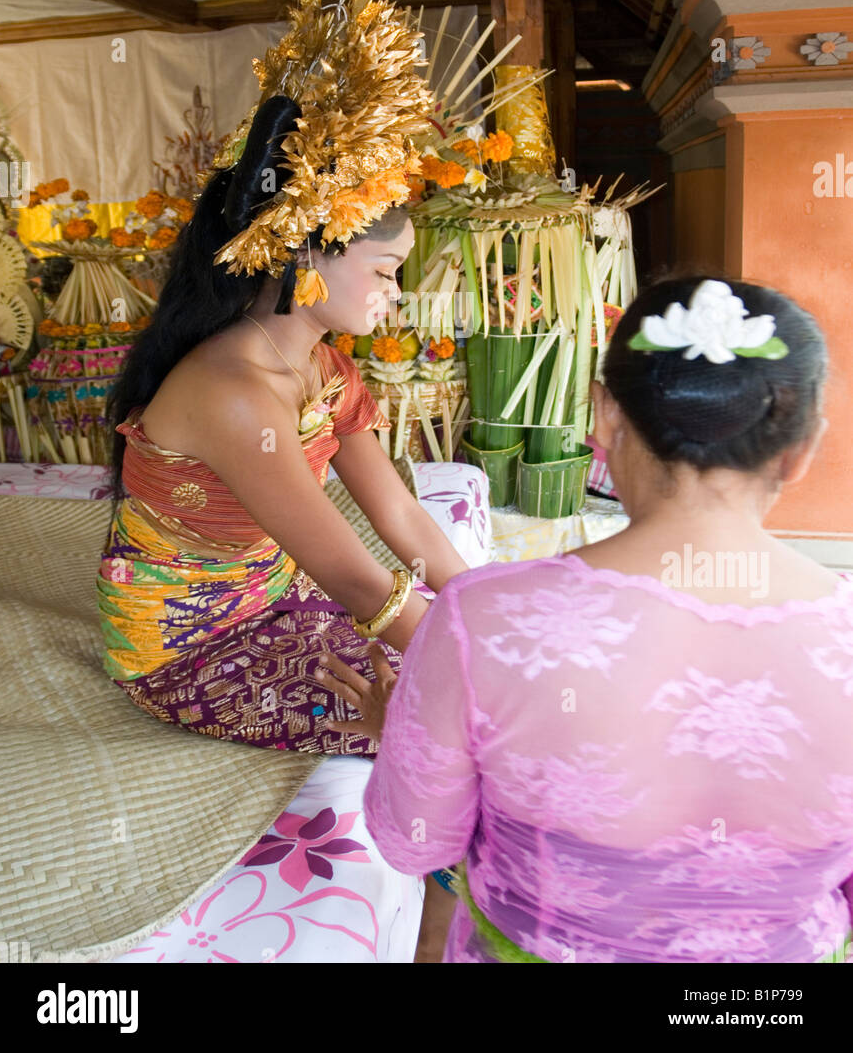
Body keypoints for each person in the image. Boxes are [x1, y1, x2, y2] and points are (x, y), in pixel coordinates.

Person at [96, 0, 473, 962]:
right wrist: (481, 664)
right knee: (438, 730)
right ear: (307, 255)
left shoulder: (321, 364)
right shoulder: (232, 393)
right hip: (185, 644)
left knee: (441, 690)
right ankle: (445, 939)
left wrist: (487, 608)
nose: (397, 291)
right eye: (387, 269)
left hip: (272, 600)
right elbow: (360, 584)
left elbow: (398, 517)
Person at [320, 275, 853, 963]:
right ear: (806, 447)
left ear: (602, 417)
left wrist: (405, 737)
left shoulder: (481, 620)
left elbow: (415, 839)